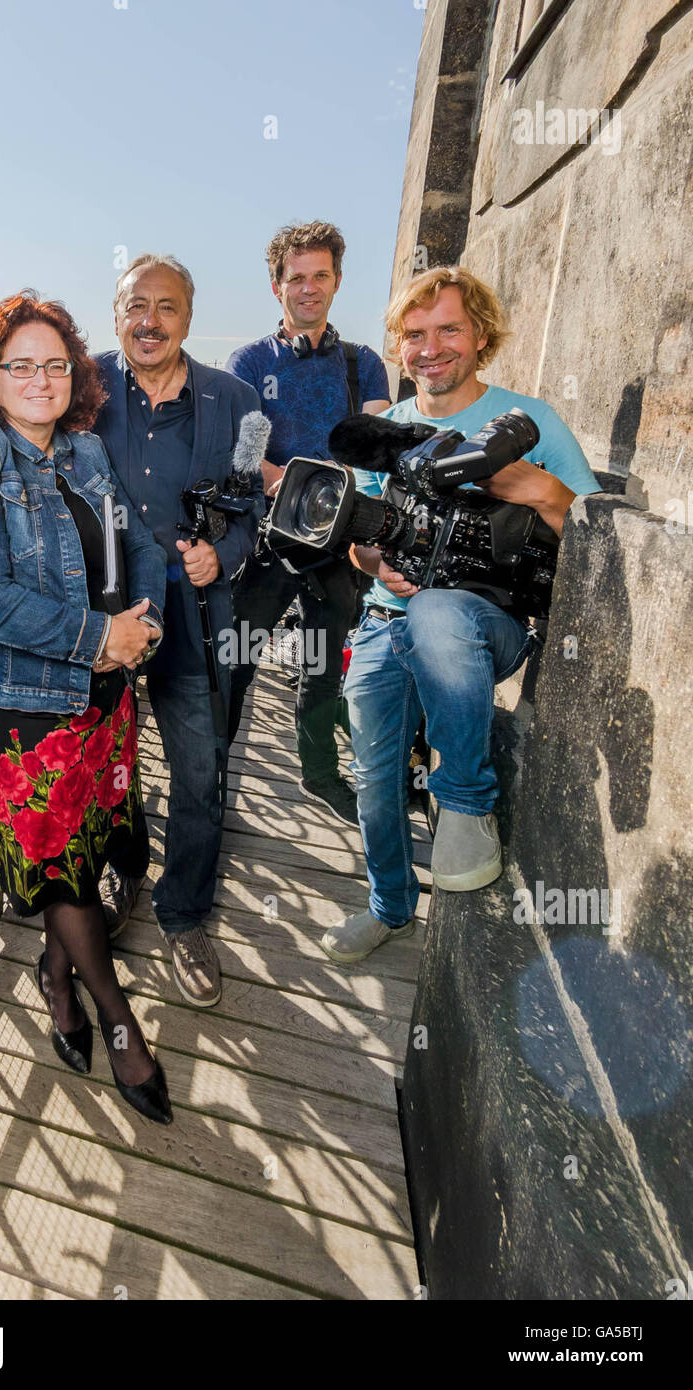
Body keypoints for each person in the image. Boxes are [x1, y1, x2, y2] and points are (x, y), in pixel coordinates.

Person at [0, 290, 173, 1124]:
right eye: (19, 365)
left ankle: (54, 973)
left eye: (54, 365)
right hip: (25, 707)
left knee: (83, 841)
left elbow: (137, 544)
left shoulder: (87, 452)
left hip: (101, 692)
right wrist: (100, 634)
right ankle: (115, 1015)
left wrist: (144, 625)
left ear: (75, 378)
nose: (39, 378)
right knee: (60, 864)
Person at [320, 265, 601, 963]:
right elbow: (361, 543)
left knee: (443, 611)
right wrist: (377, 563)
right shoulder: (384, 428)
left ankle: (466, 808)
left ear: (480, 337)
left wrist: (541, 490)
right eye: (414, 334)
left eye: (448, 328)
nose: (429, 346)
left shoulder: (527, 420)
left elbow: (600, 537)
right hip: (388, 622)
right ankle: (388, 906)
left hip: (485, 623)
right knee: (376, 783)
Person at [93, 255, 264, 1008]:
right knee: (103, 764)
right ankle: (122, 875)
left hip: (196, 620)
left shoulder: (238, 400)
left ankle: (186, 913)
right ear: (117, 312)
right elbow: (16, 443)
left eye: (165, 306)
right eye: (136, 304)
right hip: (104, 618)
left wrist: (222, 555)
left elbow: (254, 510)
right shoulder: (83, 386)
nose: (149, 320)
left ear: (188, 318)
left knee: (200, 773)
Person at [224, 222, 391, 825]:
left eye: (321, 276)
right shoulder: (247, 362)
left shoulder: (364, 365)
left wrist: (334, 510)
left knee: (323, 666)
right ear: (277, 287)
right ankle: (213, 770)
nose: (309, 288)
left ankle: (320, 774)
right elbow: (243, 456)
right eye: (297, 278)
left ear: (338, 281)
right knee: (236, 660)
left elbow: (376, 452)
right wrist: (299, 496)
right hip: (271, 543)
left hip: (338, 548)